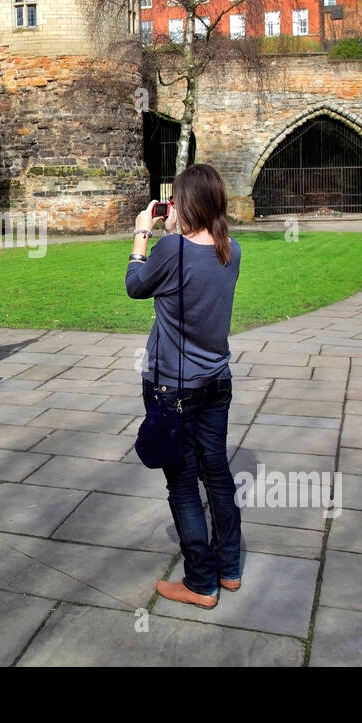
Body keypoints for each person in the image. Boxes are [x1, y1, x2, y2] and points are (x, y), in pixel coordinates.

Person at [125, 163, 242, 609]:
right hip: (217, 382)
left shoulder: (171, 249)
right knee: (218, 474)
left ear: (184, 203)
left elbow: (135, 286)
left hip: (174, 388)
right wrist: (178, 228)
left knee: (183, 483)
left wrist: (143, 233)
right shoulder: (230, 250)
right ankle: (228, 569)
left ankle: (200, 583)